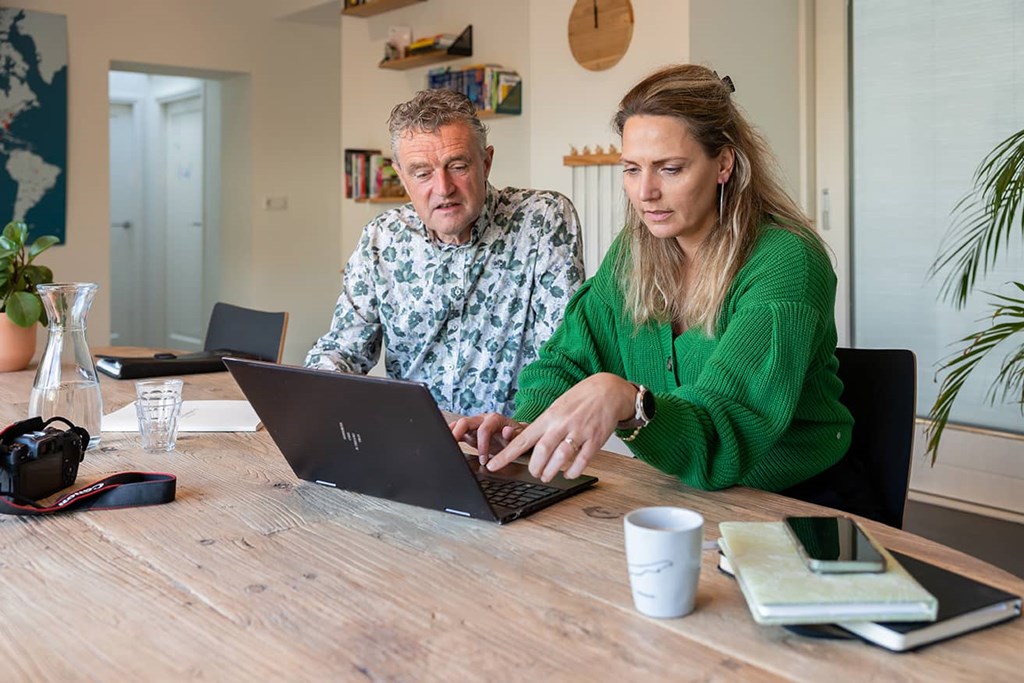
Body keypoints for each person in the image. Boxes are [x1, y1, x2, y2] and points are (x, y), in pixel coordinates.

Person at [452, 64, 856, 500]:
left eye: (670, 169)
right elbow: (567, 361)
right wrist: (524, 430)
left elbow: (723, 435)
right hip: (674, 492)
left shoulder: (786, 263)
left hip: (786, 507)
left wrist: (630, 402)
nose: (645, 192)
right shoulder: (635, 251)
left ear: (723, 163)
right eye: (631, 169)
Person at [306, 89, 585, 416]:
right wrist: (311, 396)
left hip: (517, 436)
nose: (443, 188)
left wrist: (521, 429)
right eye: (422, 173)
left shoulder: (542, 219)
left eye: (457, 166)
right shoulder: (382, 238)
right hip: (412, 435)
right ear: (402, 177)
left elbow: (562, 355)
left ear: (486, 163)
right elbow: (344, 348)